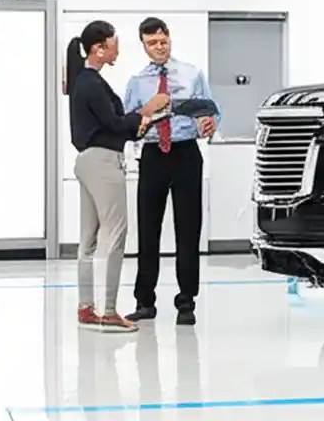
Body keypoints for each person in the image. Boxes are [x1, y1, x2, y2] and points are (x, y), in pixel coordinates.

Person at [66, 20, 169, 332]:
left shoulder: (84, 81)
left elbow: (114, 125)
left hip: (86, 161)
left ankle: (86, 307)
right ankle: (109, 310)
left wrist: (139, 122)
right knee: (116, 233)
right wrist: (147, 110)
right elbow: (113, 122)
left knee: (89, 240)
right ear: (100, 48)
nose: (118, 48)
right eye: (114, 43)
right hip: (102, 162)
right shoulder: (92, 83)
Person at [122, 17, 220, 326]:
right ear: (144, 46)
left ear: (170, 39)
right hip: (153, 155)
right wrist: (147, 110)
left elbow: (212, 111)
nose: (159, 47)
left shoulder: (192, 74)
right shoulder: (137, 82)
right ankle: (144, 300)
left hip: (186, 152)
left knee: (188, 229)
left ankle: (186, 301)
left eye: (163, 41)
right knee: (148, 230)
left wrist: (211, 123)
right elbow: (128, 125)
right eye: (152, 43)